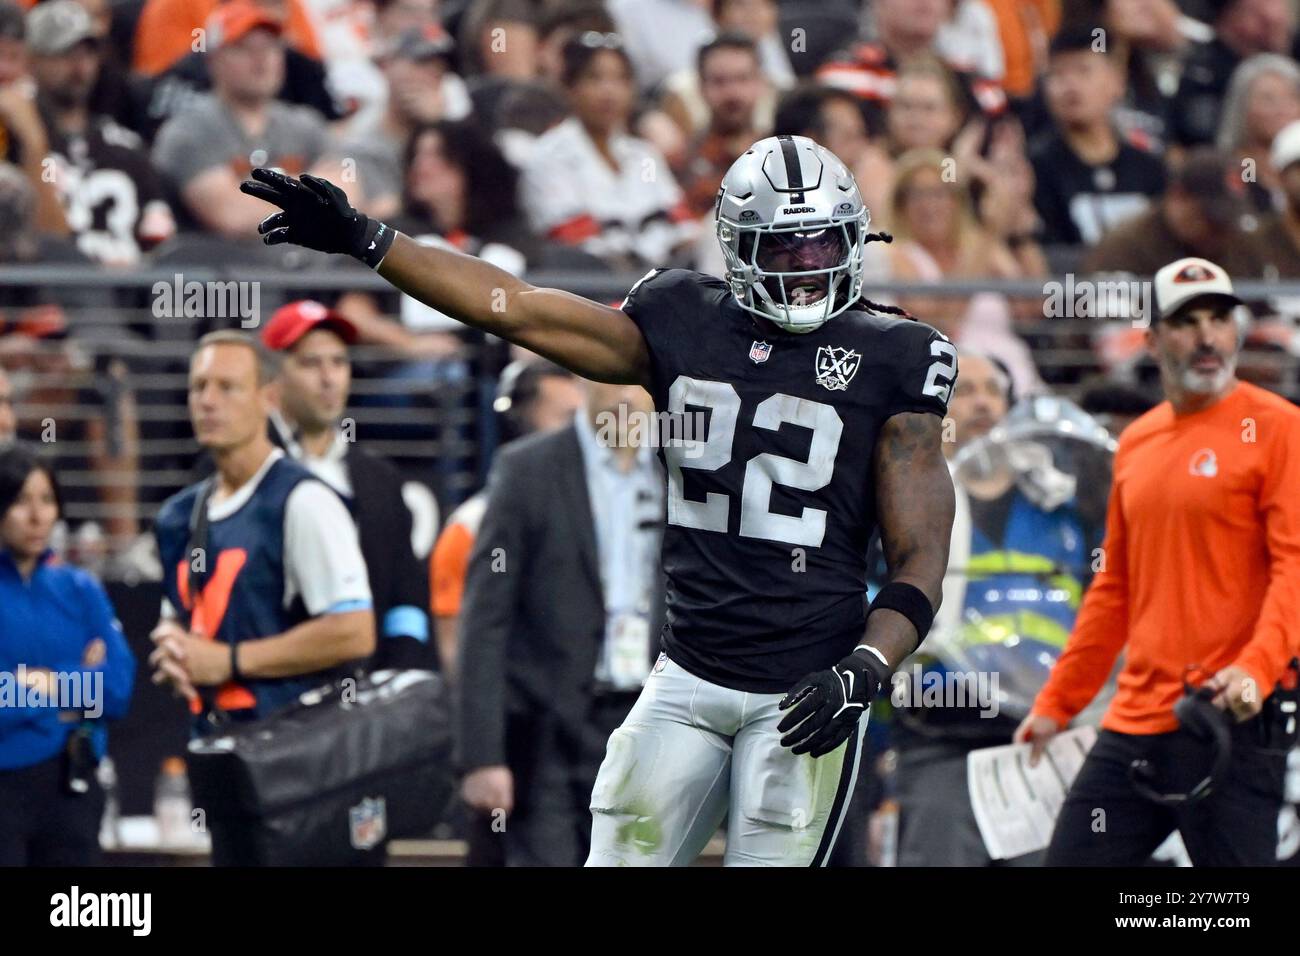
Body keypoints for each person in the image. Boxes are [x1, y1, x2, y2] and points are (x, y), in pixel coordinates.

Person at [240, 130, 958, 866]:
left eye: (823, 244)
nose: (808, 269)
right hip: (688, 675)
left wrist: (865, 667)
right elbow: (513, 307)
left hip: (806, 689)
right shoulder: (683, 316)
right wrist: (369, 239)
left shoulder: (895, 356)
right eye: (785, 249)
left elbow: (919, 557)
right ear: (738, 248)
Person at [1016, 257, 1300, 866]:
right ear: (1151, 340)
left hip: (1232, 718)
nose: (1207, 337)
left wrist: (1256, 667)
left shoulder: (1278, 429)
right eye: (1186, 321)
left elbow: (1293, 570)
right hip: (1137, 722)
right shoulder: (1139, 441)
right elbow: (1114, 587)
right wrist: (1057, 703)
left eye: (1219, 320)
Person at [150, 331, 376, 862]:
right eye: (198, 387)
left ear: (268, 398)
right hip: (225, 768)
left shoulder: (304, 501)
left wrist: (226, 661)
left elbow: (354, 630)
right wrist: (172, 652)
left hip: (302, 777)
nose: (207, 400)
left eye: (227, 387)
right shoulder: (179, 516)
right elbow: (176, 620)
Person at [889, 352, 1094, 866]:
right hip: (941, 733)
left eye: (992, 390)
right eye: (965, 389)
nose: (981, 401)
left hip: (1045, 735)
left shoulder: (1064, 505)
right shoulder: (903, 506)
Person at [459, 379, 665, 866]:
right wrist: (481, 755)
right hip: (545, 728)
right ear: (579, 380)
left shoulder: (678, 471)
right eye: (607, 377)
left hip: (647, 722)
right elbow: (485, 619)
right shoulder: (527, 468)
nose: (624, 395)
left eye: (636, 379)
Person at [261, 299, 436, 672]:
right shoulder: (242, 469)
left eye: (338, 363)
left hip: (366, 698)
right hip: (276, 690)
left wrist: (397, 675)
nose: (328, 378)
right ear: (273, 379)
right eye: (310, 363)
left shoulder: (378, 477)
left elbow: (406, 593)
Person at [0, 445, 135, 865]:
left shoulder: (80, 589)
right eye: (21, 501)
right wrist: (76, 691)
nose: (38, 516)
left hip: (71, 788)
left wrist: (37, 683)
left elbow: (116, 689)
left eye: (46, 500)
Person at [430, 357, 581, 684]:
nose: (581, 436)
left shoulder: (606, 514)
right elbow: (458, 655)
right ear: (515, 428)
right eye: (568, 420)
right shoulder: (469, 528)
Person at [150, 1, 329, 238]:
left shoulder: (306, 125)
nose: (261, 58)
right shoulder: (188, 130)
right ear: (214, 60)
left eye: (271, 47)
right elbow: (232, 215)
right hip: (221, 270)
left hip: (307, 271)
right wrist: (316, 200)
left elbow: (348, 194)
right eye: (244, 48)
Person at [519, 32, 696, 271]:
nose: (609, 92)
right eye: (595, 78)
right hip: (588, 288)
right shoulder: (547, 155)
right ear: (570, 87)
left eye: (620, 79)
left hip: (659, 282)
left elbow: (681, 224)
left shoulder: (643, 154)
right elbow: (571, 240)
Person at [26, 0, 176, 265]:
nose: (78, 65)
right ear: (33, 60)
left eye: (87, 53)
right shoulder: (15, 140)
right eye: (63, 53)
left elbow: (163, 243)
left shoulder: (126, 147)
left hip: (128, 297)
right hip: (48, 288)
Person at [1029, 29, 1166, 246]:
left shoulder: (1150, 168)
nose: (1070, 85)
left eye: (1083, 71)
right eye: (1056, 74)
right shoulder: (1036, 168)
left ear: (1117, 82)